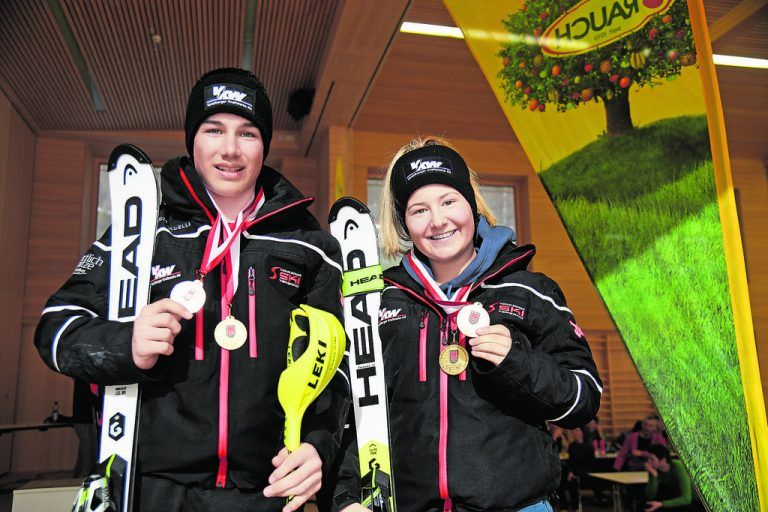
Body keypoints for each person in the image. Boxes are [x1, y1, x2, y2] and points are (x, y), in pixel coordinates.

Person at [34, 67, 349, 512]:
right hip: (151, 489)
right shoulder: (142, 232)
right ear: (192, 139)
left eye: (248, 133)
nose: (230, 149)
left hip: (268, 489)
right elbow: (55, 329)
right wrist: (127, 345)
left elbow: (342, 364)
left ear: (265, 145)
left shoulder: (309, 244)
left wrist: (319, 446)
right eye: (213, 129)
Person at [330, 137, 602, 512]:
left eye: (448, 201)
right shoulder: (381, 300)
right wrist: (345, 496)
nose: (437, 220)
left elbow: (583, 400)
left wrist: (516, 360)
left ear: (471, 204)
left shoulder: (529, 291)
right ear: (404, 223)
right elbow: (357, 407)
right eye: (419, 209)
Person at [643, 444, 694, 511]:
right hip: (678, 497)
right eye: (648, 459)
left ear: (663, 460)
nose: (648, 462)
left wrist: (662, 504)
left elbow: (687, 499)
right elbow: (650, 495)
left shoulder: (678, 467)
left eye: (652, 459)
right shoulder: (654, 469)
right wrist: (654, 475)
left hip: (696, 501)